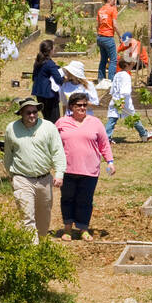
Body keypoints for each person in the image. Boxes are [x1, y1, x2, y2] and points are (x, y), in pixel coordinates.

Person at [3, 97, 65, 241]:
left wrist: (59, 173)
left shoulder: (49, 127)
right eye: (28, 112)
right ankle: (31, 251)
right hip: (22, 178)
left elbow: (58, 151)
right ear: (21, 114)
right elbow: (8, 154)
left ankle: (41, 245)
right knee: (27, 216)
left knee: (44, 217)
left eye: (35, 112)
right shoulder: (11, 128)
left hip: (44, 178)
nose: (32, 115)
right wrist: (11, 174)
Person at [56, 91, 113, 240]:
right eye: (79, 105)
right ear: (71, 107)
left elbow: (104, 144)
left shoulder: (95, 122)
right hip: (67, 169)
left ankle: (83, 228)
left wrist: (110, 162)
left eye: (84, 105)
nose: (82, 108)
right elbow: (53, 143)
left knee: (85, 200)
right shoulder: (62, 122)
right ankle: (67, 229)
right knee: (67, 199)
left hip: (89, 170)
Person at [106, 54, 152, 142]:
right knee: (133, 117)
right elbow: (125, 91)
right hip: (124, 101)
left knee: (112, 118)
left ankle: (106, 137)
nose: (133, 65)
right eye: (131, 64)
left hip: (115, 99)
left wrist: (115, 98)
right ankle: (144, 135)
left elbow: (112, 89)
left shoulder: (117, 74)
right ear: (126, 65)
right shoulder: (126, 76)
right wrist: (122, 101)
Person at [32, 40, 64, 122]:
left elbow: (34, 77)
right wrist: (66, 79)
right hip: (49, 95)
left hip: (39, 93)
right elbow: (59, 79)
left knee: (46, 118)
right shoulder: (50, 64)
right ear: (50, 50)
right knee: (55, 120)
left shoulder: (38, 62)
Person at [95, 0, 118, 84]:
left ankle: (101, 79)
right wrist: (120, 36)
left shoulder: (100, 10)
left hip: (100, 37)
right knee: (113, 59)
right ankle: (111, 80)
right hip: (108, 37)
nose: (115, 1)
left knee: (103, 59)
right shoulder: (112, 9)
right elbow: (115, 25)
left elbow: (97, 25)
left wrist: (99, 34)